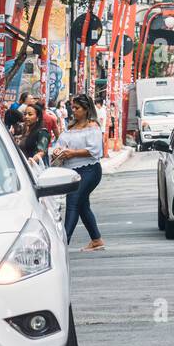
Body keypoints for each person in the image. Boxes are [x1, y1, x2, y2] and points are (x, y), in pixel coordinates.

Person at [50, 94, 106, 251]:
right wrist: (57, 152)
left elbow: (95, 151)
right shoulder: (70, 128)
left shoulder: (93, 126)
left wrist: (73, 153)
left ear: (86, 109)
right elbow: (60, 144)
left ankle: (62, 244)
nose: (73, 111)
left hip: (90, 170)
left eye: (77, 108)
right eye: (72, 108)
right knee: (82, 205)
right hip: (71, 171)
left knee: (73, 201)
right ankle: (96, 240)